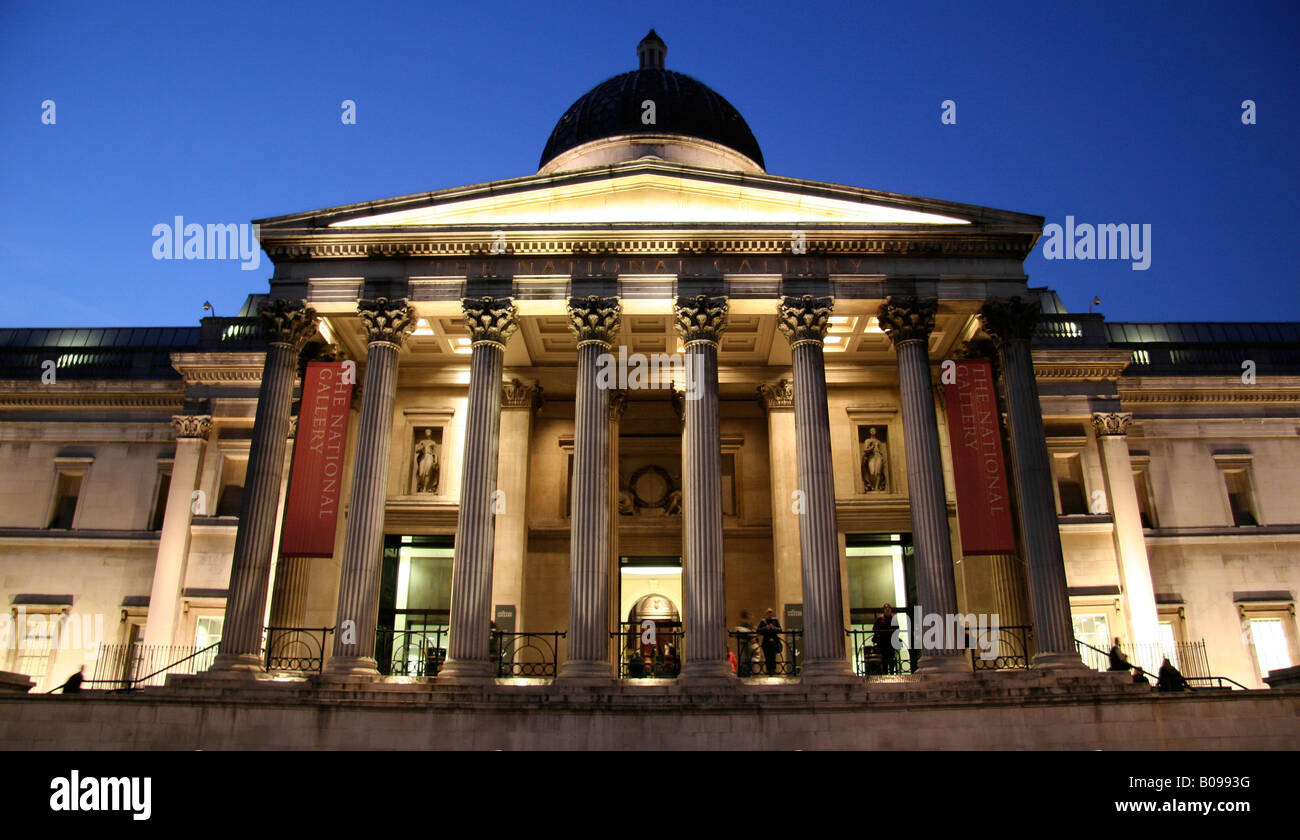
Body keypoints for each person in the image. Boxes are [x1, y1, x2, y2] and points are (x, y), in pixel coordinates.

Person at [872, 604, 899, 675]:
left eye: (888, 608)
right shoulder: (880, 619)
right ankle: (885, 673)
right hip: (883, 642)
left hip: (890, 642)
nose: (887, 610)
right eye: (886, 609)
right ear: (884, 610)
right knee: (884, 659)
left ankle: (892, 673)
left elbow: (897, 629)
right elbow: (874, 629)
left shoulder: (893, 619)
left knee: (891, 659)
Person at [757, 608, 783, 675]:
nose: (770, 614)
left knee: (773, 656)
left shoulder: (775, 620)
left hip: (774, 641)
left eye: (771, 612)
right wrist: (765, 628)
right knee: (767, 655)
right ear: (766, 614)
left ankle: (773, 669)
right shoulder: (763, 621)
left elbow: (780, 630)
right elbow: (758, 630)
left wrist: (774, 628)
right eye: (768, 613)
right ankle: (768, 670)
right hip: (766, 641)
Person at [734, 610, 755, 677]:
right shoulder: (743, 624)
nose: (751, 617)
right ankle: (745, 672)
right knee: (746, 658)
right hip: (744, 643)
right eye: (750, 615)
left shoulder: (748, 624)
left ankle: (747, 672)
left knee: (748, 658)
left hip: (747, 643)